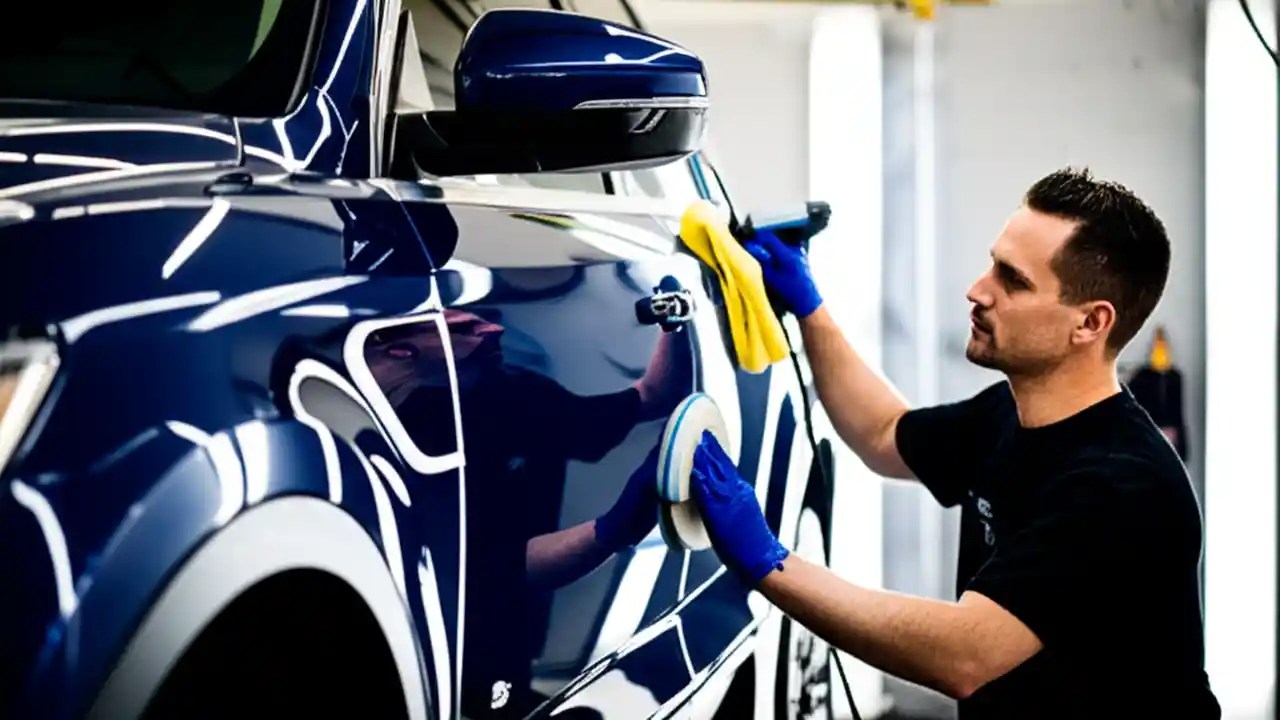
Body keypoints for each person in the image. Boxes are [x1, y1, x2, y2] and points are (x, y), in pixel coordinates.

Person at [689, 167, 1221, 719]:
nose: (977, 290)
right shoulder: (1008, 414)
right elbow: (882, 433)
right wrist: (809, 308)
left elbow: (963, 654)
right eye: (994, 263)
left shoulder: (1120, 485)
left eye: (1012, 280)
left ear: (1090, 323)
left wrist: (767, 560)